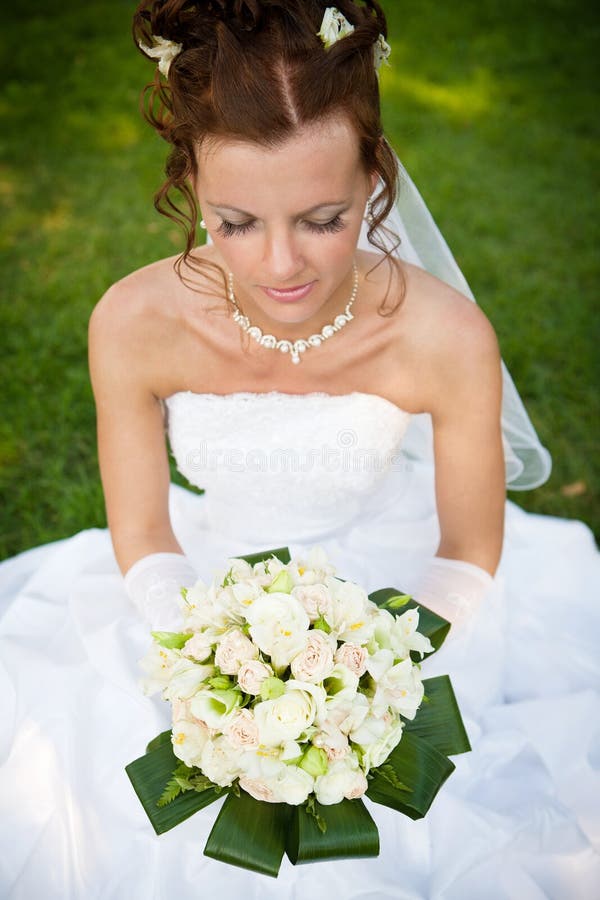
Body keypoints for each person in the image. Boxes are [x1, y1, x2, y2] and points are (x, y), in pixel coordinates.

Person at [0, 2, 598, 897]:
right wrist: (211, 666)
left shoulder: (444, 336)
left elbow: (469, 550)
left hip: (396, 591)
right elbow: (145, 531)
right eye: (235, 222)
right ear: (191, 189)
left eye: (323, 218)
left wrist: (372, 682)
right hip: (205, 589)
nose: (281, 265)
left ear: (375, 183)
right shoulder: (134, 322)